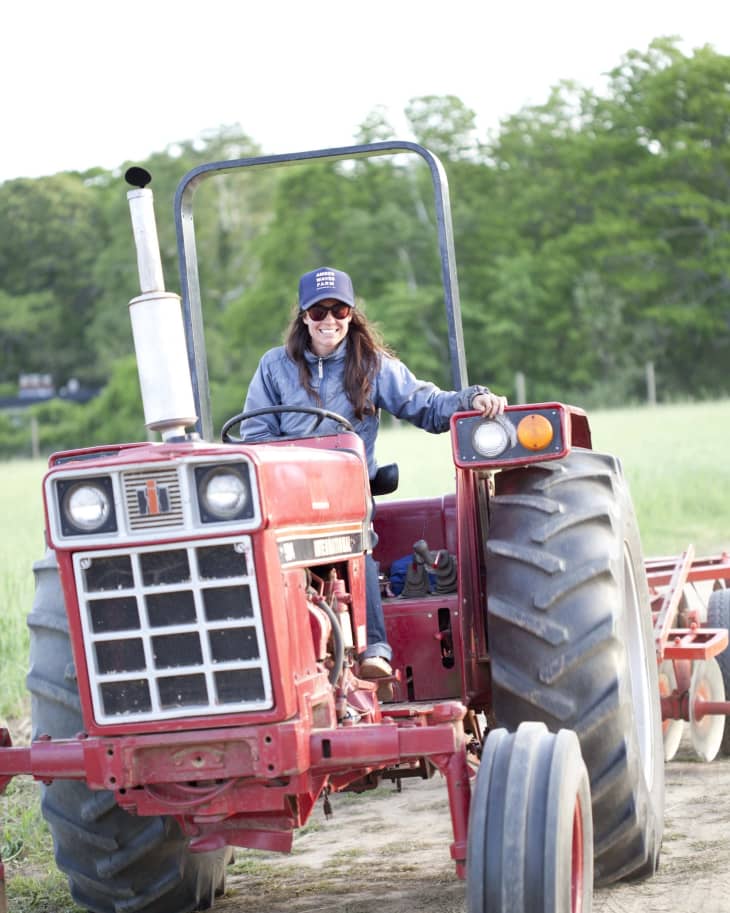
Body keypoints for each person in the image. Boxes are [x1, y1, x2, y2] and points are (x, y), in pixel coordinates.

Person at [241, 266, 507, 696]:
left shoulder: (372, 365)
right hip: (291, 493)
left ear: (351, 313)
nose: (329, 320)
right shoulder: (275, 366)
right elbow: (256, 434)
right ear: (304, 317)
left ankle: (373, 649)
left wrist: (471, 398)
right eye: (318, 311)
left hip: (348, 494)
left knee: (354, 542)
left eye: (339, 309)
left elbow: (427, 405)